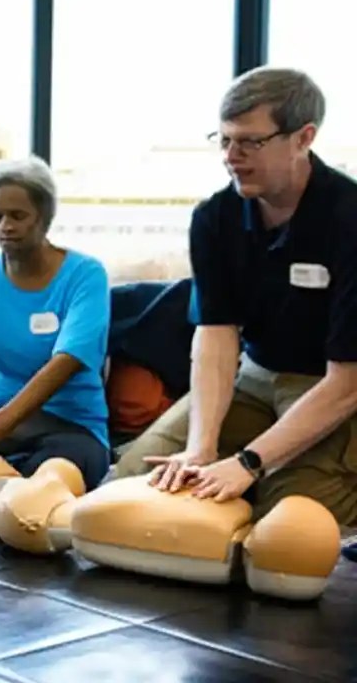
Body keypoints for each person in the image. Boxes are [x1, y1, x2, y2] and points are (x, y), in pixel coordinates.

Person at [110, 67, 357, 555]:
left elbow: (346, 385)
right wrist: (202, 446)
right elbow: (217, 336)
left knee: (287, 530)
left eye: (249, 143)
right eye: (223, 141)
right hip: (254, 377)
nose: (230, 157)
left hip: (330, 388)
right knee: (141, 475)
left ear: (303, 138)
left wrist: (247, 463)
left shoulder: (349, 218)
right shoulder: (214, 218)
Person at [0, 156, 111, 490]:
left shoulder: (86, 275)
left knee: (38, 494)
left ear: (43, 218)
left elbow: (65, 363)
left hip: (69, 425)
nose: (5, 226)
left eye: (18, 216)